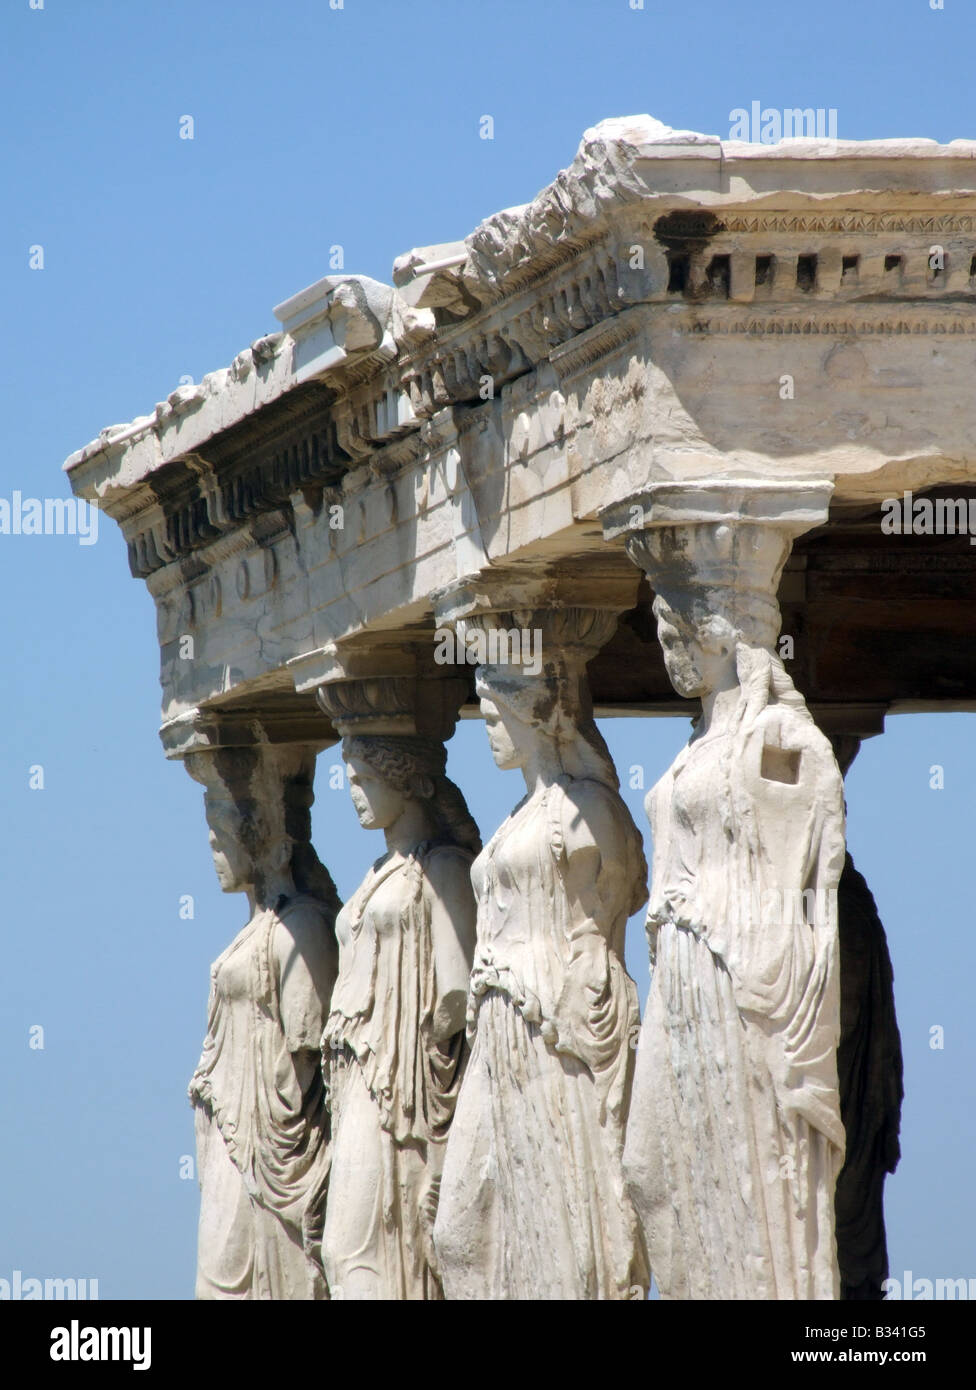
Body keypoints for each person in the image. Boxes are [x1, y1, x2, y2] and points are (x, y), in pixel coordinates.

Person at [321, 733, 479, 1300]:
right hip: (358, 1076)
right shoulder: (373, 874)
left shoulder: (444, 867)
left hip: (404, 1084)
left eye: (365, 779)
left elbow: (457, 994)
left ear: (407, 781)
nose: (353, 793)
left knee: (360, 1242)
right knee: (342, 1248)